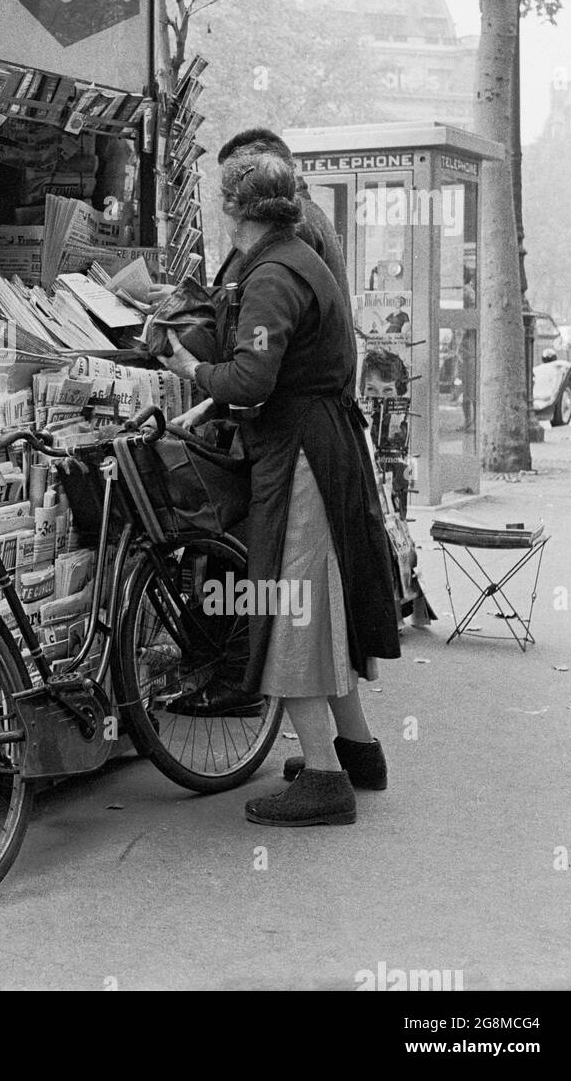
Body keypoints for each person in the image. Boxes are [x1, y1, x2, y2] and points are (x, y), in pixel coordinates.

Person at [150, 152, 400, 827]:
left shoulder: (270, 275)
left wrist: (194, 371)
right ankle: (358, 750)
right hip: (324, 443)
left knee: (291, 604)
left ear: (233, 210)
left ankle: (324, 778)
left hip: (300, 458)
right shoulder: (299, 256)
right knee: (324, 602)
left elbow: (253, 379)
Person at [212, 128, 352, 313]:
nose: (228, 195)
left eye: (233, 181)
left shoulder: (295, 226)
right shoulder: (298, 218)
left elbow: (265, 304)